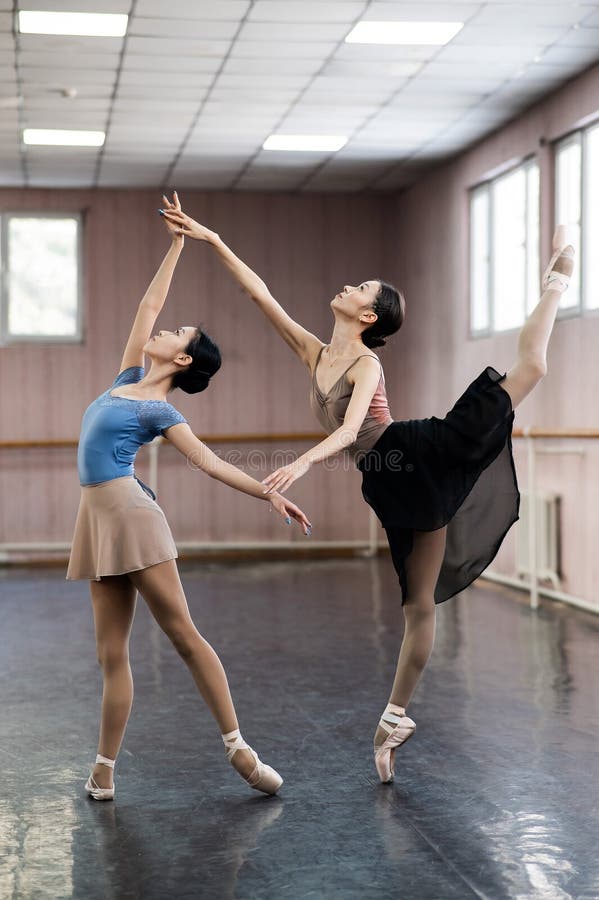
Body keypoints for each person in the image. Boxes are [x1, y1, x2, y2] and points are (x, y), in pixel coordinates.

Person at [160, 205, 574, 784]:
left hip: (424, 455)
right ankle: (395, 719)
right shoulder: (315, 351)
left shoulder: (367, 364)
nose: (349, 285)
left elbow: (354, 431)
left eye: (361, 287)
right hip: (390, 480)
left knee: (529, 369)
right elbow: (261, 296)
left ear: (368, 313)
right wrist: (213, 239)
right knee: (417, 605)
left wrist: (302, 461)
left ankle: (558, 278)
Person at [66, 192, 312, 802]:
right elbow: (149, 306)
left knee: (183, 634)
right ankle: (104, 769)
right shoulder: (128, 379)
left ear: (180, 360)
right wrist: (176, 245)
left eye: (178, 333)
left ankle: (238, 747)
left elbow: (208, 462)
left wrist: (266, 494)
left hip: (132, 515)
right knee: (110, 654)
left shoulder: (160, 409)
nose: (165, 328)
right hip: (96, 519)